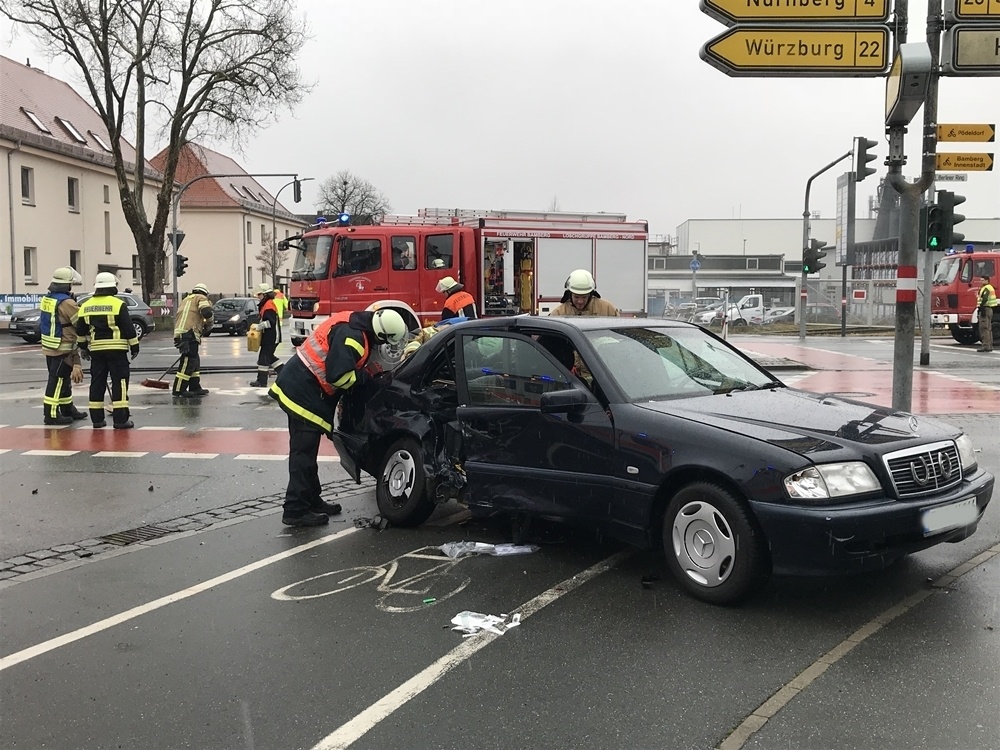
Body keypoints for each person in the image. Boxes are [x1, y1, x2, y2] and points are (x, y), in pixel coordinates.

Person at [269, 308, 408, 526]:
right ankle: (295, 509)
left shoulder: (356, 322)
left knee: (306, 452)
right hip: (302, 392)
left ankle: (311, 499)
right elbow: (339, 377)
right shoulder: (353, 338)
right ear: (380, 335)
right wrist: (365, 377)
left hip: (300, 384)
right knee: (303, 454)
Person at [74, 272, 138, 429]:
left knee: (97, 383)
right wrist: (134, 346)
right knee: (120, 383)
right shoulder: (118, 304)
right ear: (112, 287)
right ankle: (121, 420)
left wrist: (83, 349)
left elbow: (80, 332)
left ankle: (97, 420)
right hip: (117, 351)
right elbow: (128, 328)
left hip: (97, 352)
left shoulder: (85, 306)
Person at [39, 266, 87, 425]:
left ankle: (67, 409)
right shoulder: (66, 302)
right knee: (57, 381)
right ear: (67, 285)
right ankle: (51, 414)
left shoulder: (49, 298)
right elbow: (79, 322)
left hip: (50, 346)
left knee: (64, 379)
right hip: (63, 347)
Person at [172, 283, 214, 397]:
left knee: (194, 360)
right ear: (205, 293)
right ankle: (179, 389)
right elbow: (206, 311)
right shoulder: (201, 298)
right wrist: (210, 323)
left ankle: (195, 386)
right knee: (188, 361)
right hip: (189, 334)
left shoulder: (186, 299)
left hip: (182, 333)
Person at [548, 269, 619, 317]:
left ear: (590, 295)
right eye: (576, 297)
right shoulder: (559, 313)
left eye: (584, 297)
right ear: (570, 295)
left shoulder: (607, 309)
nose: (580, 301)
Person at [250, 282, 282, 387]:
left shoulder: (268, 305)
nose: (258, 297)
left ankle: (261, 381)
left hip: (271, 337)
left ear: (264, 295)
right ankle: (284, 373)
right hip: (271, 337)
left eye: (259, 295)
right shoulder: (267, 304)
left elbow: (270, 322)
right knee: (270, 357)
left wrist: (258, 326)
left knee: (264, 358)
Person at [976, 273, 997, 353]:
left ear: (987, 280)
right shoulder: (990, 287)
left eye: (982, 280)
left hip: (985, 309)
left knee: (984, 328)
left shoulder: (986, 288)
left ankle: (985, 346)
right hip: (989, 309)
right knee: (988, 328)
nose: (981, 281)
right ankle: (989, 346)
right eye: (980, 280)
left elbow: (984, 298)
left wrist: (981, 307)